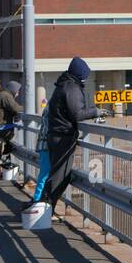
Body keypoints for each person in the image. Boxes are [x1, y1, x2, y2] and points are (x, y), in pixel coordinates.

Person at [30, 57, 98, 210]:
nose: (86, 78)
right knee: (59, 177)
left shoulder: (62, 85)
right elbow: (77, 114)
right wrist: (95, 111)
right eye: (85, 75)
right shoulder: (72, 89)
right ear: (81, 74)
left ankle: (43, 207)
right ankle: (44, 209)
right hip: (63, 136)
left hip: (55, 135)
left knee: (57, 175)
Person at [0, 79, 23, 176]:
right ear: (13, 89)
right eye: (18, 90)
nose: (18, 93)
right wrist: (25, 110)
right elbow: (16, 108)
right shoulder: (6, 96)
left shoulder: (4, 95)